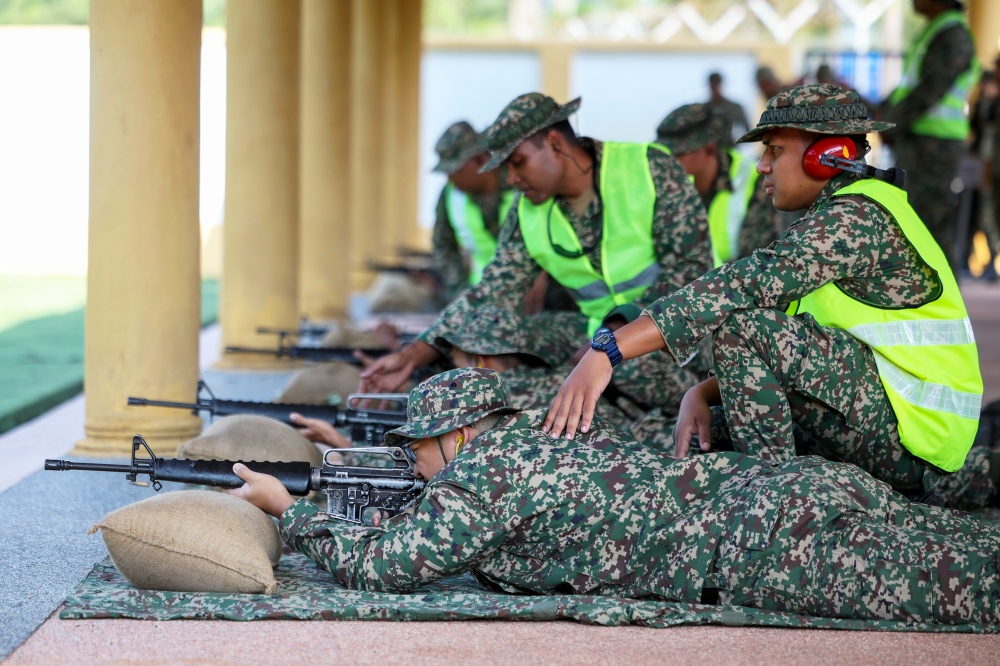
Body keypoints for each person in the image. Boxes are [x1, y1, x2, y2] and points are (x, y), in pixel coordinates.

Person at [230, 368, 1000, 627]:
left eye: (420, 446)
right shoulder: (537, 436)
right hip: (776, 490)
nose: (416, 461)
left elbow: (387, 568)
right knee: (969, 545)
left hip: (769, 543)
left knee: (973, 589)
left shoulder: (486, 474)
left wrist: (291, 512)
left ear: (462, 434)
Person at [544, 84, 985, 504]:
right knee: (704, 436)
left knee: (742, 328)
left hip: (914, 443)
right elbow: (799, 349)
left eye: (774, 151)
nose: (762, 166)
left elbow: (742, 287)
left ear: (827, 156)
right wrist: (702, 392)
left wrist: (608, 351)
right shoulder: (836, 213)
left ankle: (769, 510)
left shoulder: (856, 217)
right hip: (886, 423)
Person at [359, 92, 711, 406]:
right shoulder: (527, 210)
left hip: (668, 335)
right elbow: (490, 294)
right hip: (589, 332)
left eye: (517, 162)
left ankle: (646, 403)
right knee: (484, 326)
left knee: (628, 363)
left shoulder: (649, 169)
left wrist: (613, 334)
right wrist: (416, 353)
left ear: (555, 143)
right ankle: (532, 395)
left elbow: (691, 271)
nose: (511, 179)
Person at [878, 0, 980, 270]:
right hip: (922, 142)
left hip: (935, 146)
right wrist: (885, 116)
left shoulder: (952, 35)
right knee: (914, 224)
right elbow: (910, 87)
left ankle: (946, 302)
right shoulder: (935, 31)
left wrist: (892, 123)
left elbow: (931, 89)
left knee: (930, 227)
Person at [656, 103, 777, 266]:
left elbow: (755, 260)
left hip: (730, 285)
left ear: (709, 149)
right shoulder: (665, 182)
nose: (669, 158)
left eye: (679, 152)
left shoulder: (756, 181)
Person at [431, 121, 516, 301]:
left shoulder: (519, 181)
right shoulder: (450, 195)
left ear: (480, 158)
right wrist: (461, 292)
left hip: (535, 298)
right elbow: (443, 247)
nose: (450, 177)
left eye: (456, 169)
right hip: (481, 298)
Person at [706, 72, 749, 145]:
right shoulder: (704, 109)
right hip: (710, 150)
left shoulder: (735, 108)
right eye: (713, 86)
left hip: (732, 148)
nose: (715, 89)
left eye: (717, 85)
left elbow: (746, 130)